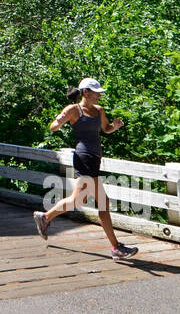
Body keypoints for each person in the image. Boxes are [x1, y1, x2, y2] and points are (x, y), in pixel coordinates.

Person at [33, 77, 138, 260]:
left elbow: (106, 129)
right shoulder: (74, 110)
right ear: (86, 92)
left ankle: (46, 217)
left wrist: (116, 127)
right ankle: (116, 248)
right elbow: (53, 127)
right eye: (96, 93)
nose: (99, 96)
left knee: (87, 201)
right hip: (84, 158)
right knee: (90, 202)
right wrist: (58, 122)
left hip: (95, 158)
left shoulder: (99, 110)